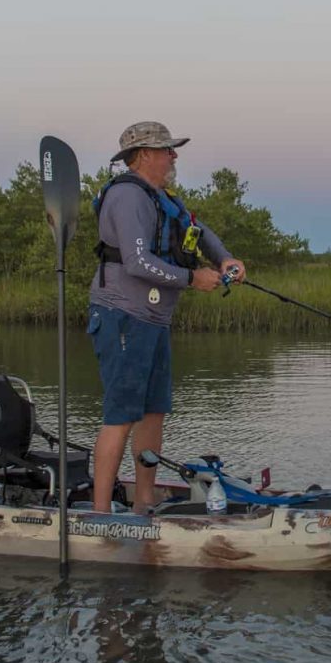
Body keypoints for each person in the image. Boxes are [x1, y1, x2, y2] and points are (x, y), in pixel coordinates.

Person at [86, 121, 245, 513]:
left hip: (154, 319)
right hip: (121, 314)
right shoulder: (126, 197)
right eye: (166, 150)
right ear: (142, 156)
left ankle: (143, 504)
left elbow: (198, 231)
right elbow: (138, 262)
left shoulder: (162, 198)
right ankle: (101, 516)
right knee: (120, 414)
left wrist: (224, 258)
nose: (174, 156)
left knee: (154, 411)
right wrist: (192, 278)